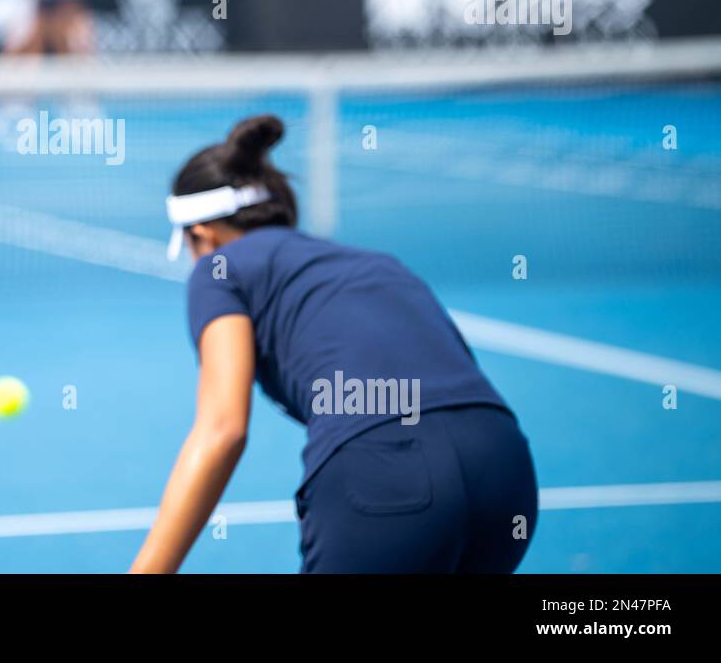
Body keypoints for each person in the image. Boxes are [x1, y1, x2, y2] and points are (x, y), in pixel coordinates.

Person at [130, 115, 538, 573]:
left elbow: (223, 429)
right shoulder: (380, 264)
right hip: (505, 470)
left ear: (202, 234)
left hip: (387, 478)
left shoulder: (218, 268)